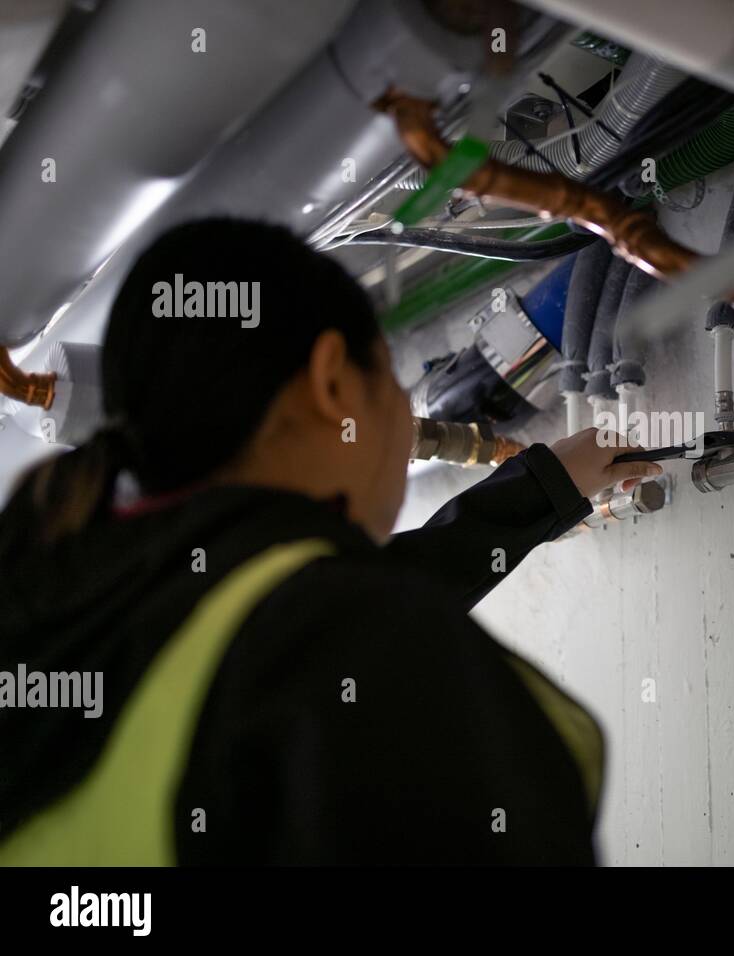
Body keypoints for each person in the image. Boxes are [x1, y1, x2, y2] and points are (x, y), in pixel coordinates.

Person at [0, 218, 660, 865]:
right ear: (333, 381)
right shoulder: (335, 645)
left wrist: (542, 489)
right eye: (389, 377)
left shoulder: (69, 603)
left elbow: (315, 610)